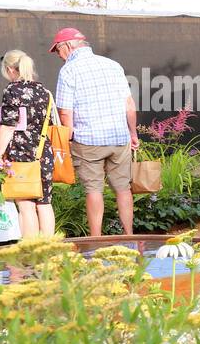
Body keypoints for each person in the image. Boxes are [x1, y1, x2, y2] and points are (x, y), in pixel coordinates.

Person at [50, 27, 138, 236]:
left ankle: (96, 239)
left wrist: (66, 137)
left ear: (68, 46)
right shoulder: (112, 65)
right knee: (123, 189)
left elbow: (65, 112)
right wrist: (133, 133)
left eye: (58, 51)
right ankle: (130, 235)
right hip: (119, 137)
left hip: (88, 141)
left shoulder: (69, 70)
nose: (59, 56)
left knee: (93, 190)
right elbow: (129, 103)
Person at [0, 49, 56, 238]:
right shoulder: (44, 91)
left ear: (9, 69)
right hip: (43, 152)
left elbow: (8, 125)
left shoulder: (12, 90)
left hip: (21, 154)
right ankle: (48, 249)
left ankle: (30, 254)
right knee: (45, 203)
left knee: (26, 205)